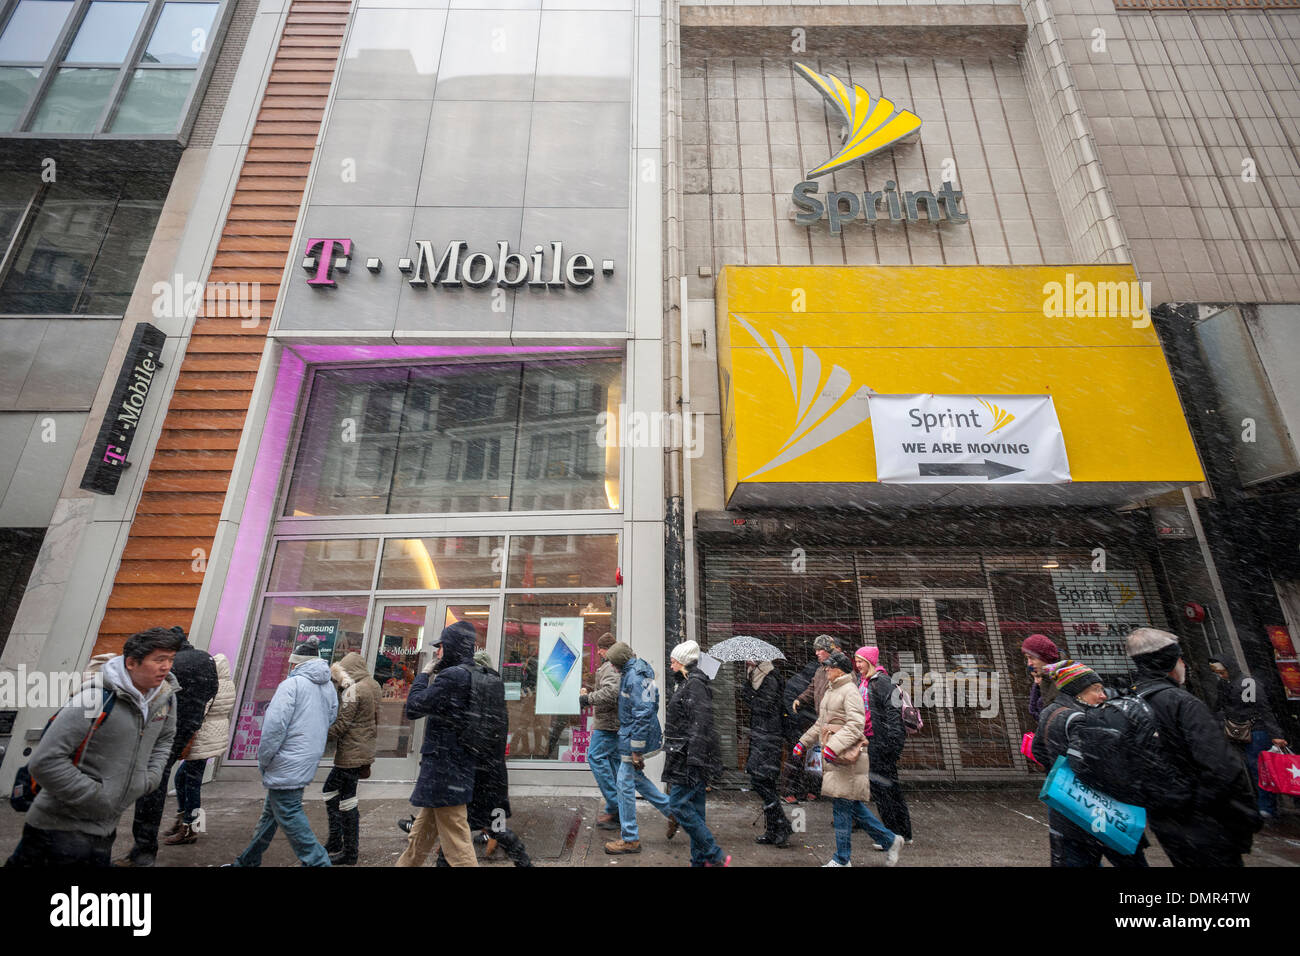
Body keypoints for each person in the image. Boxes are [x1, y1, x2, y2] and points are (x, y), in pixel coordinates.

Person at [6, 627, 180, 867]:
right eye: (159, 660)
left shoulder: (165, 699)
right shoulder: (95, 699)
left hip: (104, 829)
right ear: (131, 662)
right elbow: (45, 761)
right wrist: (97, 795)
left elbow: (165, 739)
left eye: (170, 659)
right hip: (57, 829)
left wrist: (149, 778)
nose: (166, 667)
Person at [1127, 628, 1260, 867]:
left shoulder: (1130, 703)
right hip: (1204, 823)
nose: (1184, 664)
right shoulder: (1182, 703)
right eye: (1179, 658)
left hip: (1166, 821)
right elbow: (1222, 768)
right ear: (1170, 661)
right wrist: (1243, 814)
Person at [228, 636, 337, 867]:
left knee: (289, 812)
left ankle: (319, 862)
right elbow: (331, 717)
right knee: (272, 814)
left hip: (286, 757)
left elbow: (274, 728)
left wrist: (264, 760)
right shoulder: (327, 686)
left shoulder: (291, 685)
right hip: (307, 755)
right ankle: (247, 862)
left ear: (295, 663)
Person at [115, 628, 217, 866]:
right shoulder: (206, 660)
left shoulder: (172, 667)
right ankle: (185, 827)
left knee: (155, 786)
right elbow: (212, 692)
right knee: (181, 780)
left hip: (163, 729)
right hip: (191, 729)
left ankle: (147, 847)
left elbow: (150, 695)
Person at [1032, 660, 1149, 867]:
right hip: (1099, 811)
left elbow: (1038, 751)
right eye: (1095, 690)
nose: (1103, 695)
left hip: (1067, 810)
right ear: (1078, 692)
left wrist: (1060, 775)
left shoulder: (1050, 711)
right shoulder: (1081, 718)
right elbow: (1084, 764)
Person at [795, 651, 902, 868]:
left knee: (842, 807)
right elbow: (821, 724)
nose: (826, 670)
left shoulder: (849, 691)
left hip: (847, 759)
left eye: (829, 667)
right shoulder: (832, 691)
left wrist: (832, 748)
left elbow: (855, 725)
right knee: (850, 806)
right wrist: (802, 743)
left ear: (840, 669)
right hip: (836, 759)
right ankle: (890, 840)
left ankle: (842, 858)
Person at [436, 650, 532, 867]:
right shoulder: (495, 691)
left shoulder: (479, 697)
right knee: (493, 828)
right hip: (492, 779)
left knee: (461, 832)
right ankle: (524, 862)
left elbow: (474, 736)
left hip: (477, 778)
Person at [396, 621, 478, 867]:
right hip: (456, 766)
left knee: (458, 844)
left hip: (444, 769)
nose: (437, 652)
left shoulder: (453, 676)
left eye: (440, 647)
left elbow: (414, 707)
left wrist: (423, 674)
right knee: (419, 838)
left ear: (451, 647)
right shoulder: (474, 674)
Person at [604, 641, 676, 854]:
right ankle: (673, 812)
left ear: (620, 663)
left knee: (623, 785)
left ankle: (630, 838)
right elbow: (652, 704)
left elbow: (643, 713)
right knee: (636, 780)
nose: (613, 669)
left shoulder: (634, 677)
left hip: (634, 737)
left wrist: (636, 751)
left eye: (613, 665)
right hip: (637, 734)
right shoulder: (640, 670)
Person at [662, 640, 730, 867]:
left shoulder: (695, 685)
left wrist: (695, 759)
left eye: (673, 662)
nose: (670, 666)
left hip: (688, 757)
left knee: (678, 805)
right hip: (690, 755)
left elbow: (700, 724)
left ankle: (713, 853)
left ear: (683, 662)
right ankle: (700, 861)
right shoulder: (690, 683)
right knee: (696, 809)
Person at [164, 651, 236, 847]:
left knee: (190, 782)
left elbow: (199, 710)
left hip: (201, 737)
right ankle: (184, 819)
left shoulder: (211, 685)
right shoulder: (228, 685)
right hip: (211, 736)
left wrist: (187, 733)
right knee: (183, 779)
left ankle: (190, 826)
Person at [1208, 656, 1289, 820]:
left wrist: (1275, 734)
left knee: (1258, 769)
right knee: (1253, 769)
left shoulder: (1246, 683)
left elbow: (1262, 708)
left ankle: (1266, 806)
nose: (1221, 675)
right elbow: (1220, 707)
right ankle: (1264, 804)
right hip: (1240, 730)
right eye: (1218, 673)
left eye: (1222, 672)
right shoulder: (1226, 684)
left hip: (1253, 730)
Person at [323, 651, 379, 865]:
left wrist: (319, 734)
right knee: (342, 795)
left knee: (342, 797)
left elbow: (342, 724)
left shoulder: (353, 691)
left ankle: (347, 849)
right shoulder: (372, 686)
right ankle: (339, 842)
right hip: (362, 749)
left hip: (351, 752)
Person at [855, 646, 912, 844]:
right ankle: (903, 833)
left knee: (883, 790)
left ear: (870, 661)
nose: (858, 664)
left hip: (881, 742)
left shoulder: (882, 682)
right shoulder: (865, 681)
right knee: (889, 788)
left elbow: (893, 713)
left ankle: (892, 834)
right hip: (873, 740)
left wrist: (893, 745)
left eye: (861, 661)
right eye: (857, 660)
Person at [741, 658, 793, 847]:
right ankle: (773, 830)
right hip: (761, 734)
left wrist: (750, 694)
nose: (745, 661)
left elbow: (764, 706)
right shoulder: (754, 676)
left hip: (769, 735)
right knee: (765, 782)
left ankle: (782, 825)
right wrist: (748, 688)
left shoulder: (770, 678)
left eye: (749, 659)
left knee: (760, 780)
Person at [579, 632, 621, 831]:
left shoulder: (611, 666)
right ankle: (618, 807)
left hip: (608, 724)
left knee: (595, 757)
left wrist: (588, 698)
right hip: (611, 723)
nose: (599, 653)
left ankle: (615, 805)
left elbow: (611, 692)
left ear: (604, 649)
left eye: (600, 649)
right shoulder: (612, 665)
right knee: (614, 764)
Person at [779, 653, 820, 804]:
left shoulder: (796, 681)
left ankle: (795, 790)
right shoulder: (806, 684)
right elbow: (792, 706)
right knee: (801, 759)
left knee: (799, 759)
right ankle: (794, 790)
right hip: (800, 727)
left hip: (800, 726)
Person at [1021, 633, 1061, 724]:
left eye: (1031, 658)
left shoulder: (1068, 681)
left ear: (1045, 657)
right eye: (1027, 659)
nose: (1029, 663)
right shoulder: (1048, 681)